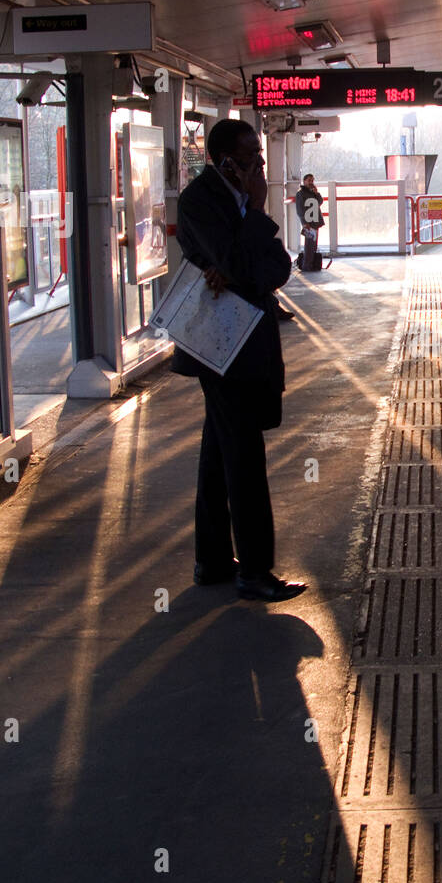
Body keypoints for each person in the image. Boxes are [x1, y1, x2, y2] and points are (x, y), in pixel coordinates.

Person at [173, 118, 305, 603]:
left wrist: (240, 270)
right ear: (225, 160)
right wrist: (254, 209)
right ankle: (254, 570)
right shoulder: (199, 202)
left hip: (248, 343)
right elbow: (238, 265)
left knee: (219, 451)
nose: (260, 163)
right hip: (219, 349)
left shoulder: (240, 203)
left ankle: (211, 560)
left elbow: (277, 266)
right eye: (252, 155)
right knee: (244, 454)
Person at [296, 173, 325, 271]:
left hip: (315, 221)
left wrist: (316, 193)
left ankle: (311, 264)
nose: (311, 182)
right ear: (304, 181)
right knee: (309, 245)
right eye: (309, 180)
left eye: (312, 180)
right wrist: (304, 222)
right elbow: (299, 209)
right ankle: (307, 265)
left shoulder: (312, 192)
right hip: (309, 222)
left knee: (313, 245)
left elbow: (320, 202)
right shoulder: (300, 194)